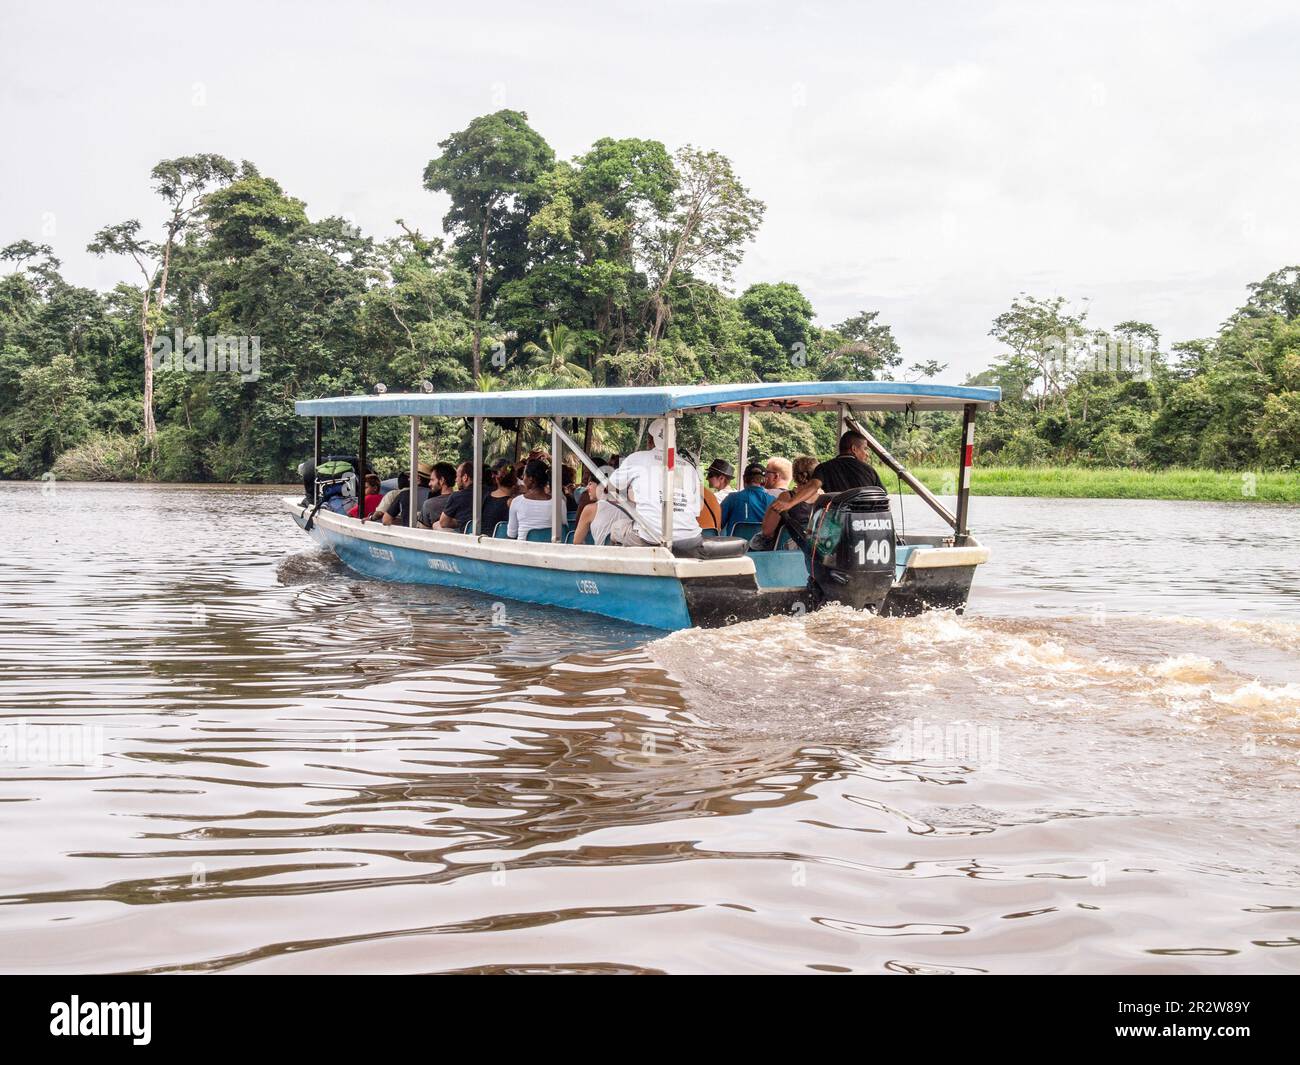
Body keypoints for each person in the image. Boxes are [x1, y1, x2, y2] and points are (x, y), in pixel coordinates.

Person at [604, 418, 703, 546]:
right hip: (691, 538)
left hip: (650, 538)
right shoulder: (690, 467)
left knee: (617, 528)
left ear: (650, 441)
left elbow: (610, 488)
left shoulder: (638, 458)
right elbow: (696, 510)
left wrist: (629, 497)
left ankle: (618, 565)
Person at [769, 430, 883, 519]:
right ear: (854, 449)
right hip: (866, 523)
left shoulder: (825, 467)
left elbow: (812, 486)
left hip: (839, 523)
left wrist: (790, 503)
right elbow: (882, 498)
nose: (867, 454)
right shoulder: (870, 470)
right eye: (865, 449)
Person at [753, 455, 818, 549]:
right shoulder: (823, 500)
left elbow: (767, 531)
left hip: (784, 554)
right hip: (811, 553)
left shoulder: (786, 497)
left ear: (795, 475)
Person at [507, 458, 555, 539]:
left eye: (524, 475)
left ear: (531, 479)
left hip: (523, 549)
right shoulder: (559, 503)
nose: (522, 477)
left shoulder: (517, 502)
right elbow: (563, 529)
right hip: (551, 549)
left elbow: (511, 534)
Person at [439, 461, 490, 531]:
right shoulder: (491, 493)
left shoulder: (456, 496)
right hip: (490, 536)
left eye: (457, 476)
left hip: (467, 538)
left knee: (436, 525)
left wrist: (460, 522)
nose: (456, 480)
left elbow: (443, 522)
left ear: (465, 477)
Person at [720, 463, 773, 530]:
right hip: (762, 540)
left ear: (744, 479)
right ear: (765, 481)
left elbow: (718, 524)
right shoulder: (773, 501)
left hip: (737, 540)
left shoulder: (732, 498)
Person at [418, 462, 457, 528]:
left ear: (442, 480)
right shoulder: (462, 500)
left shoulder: (429, 504)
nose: (429, 484)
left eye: (432, 480)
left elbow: (423, 532)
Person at [481, 464, 515, 533]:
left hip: (484, 537)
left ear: (497, 479)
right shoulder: (511, 502)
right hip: (501, 539)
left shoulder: (487, 497)